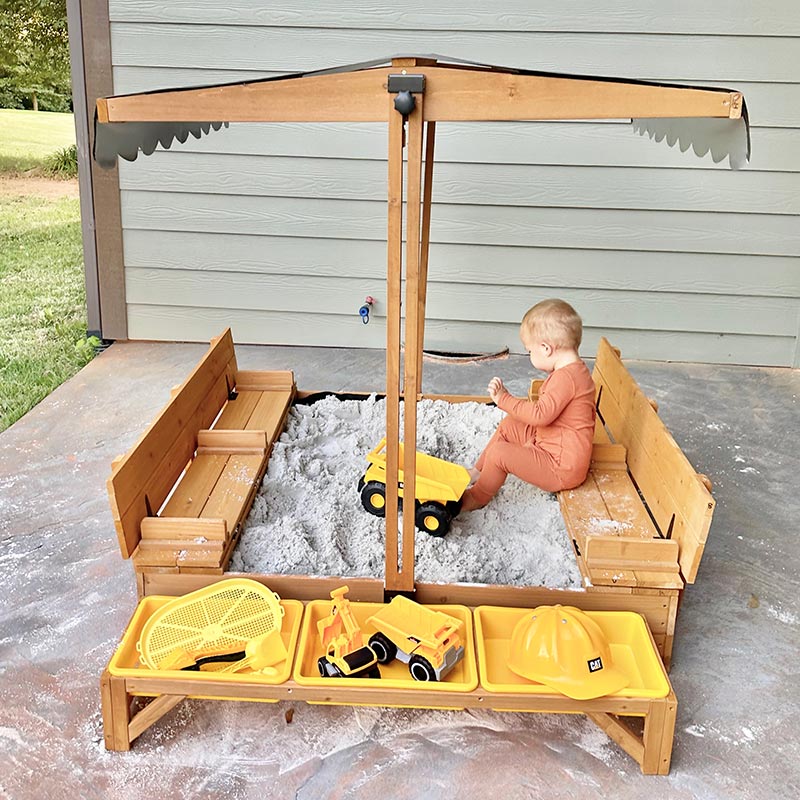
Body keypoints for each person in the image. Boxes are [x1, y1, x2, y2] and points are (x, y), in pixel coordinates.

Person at [461, 298, 596, 511]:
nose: (530, 355)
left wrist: (504, 399)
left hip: (559, 467)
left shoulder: (566, 379)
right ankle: (478, 471)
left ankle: (477, 497)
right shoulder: (572, 372)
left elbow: (540, 415)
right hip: (550, 443)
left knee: (500, 453)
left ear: (546, 348)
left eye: (530, 351)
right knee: (510, 425)